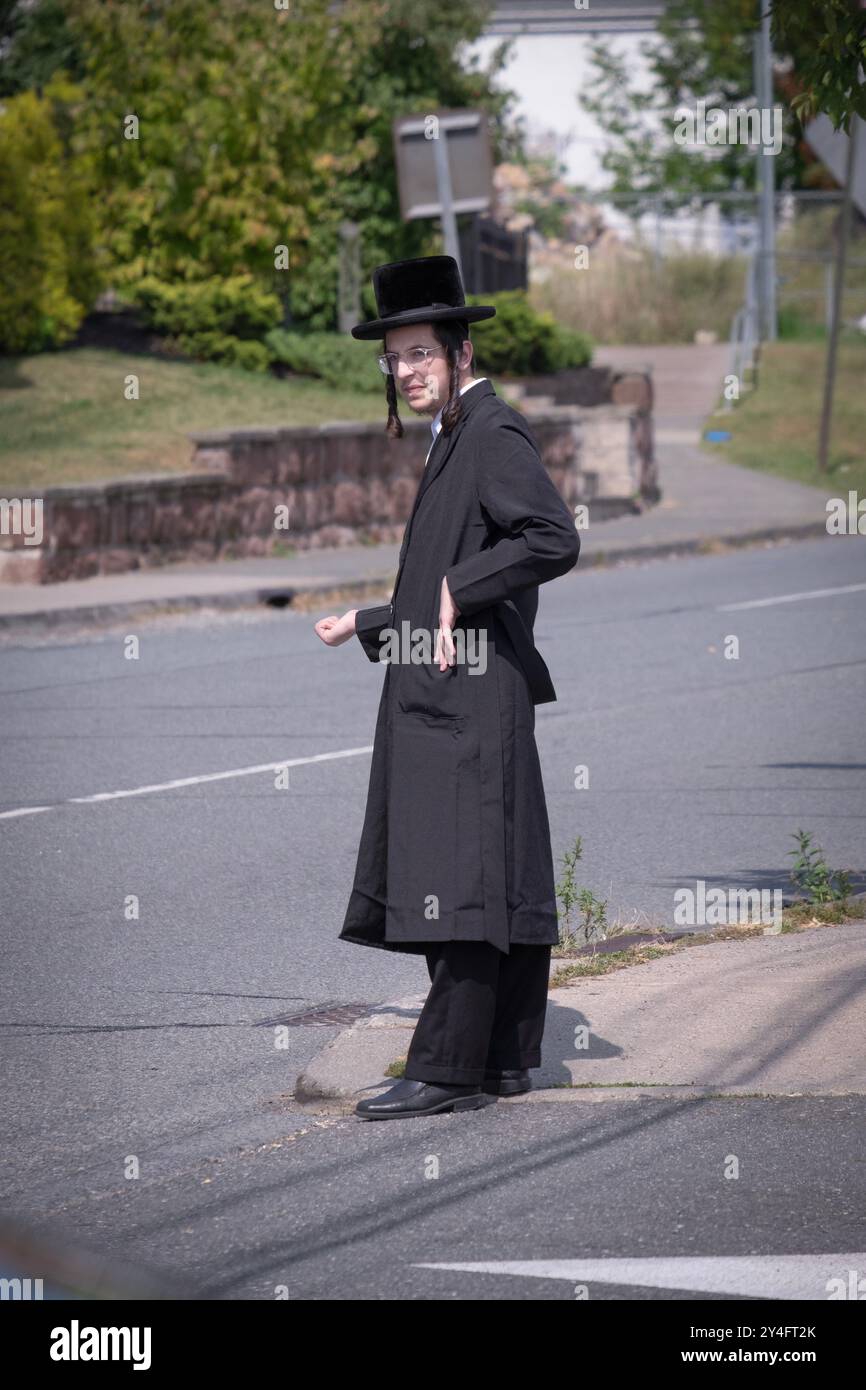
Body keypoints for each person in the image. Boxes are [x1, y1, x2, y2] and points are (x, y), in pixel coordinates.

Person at [314, 255, 580, 1119]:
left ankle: (447, 1070)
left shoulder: (493, 432)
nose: (407, 370)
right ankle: (502, 1058)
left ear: (462, 352)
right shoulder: (455, 437)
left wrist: (463, 590)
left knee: (457, 876)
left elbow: (551, 538)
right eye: (395, 359)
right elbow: (436, 576)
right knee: (480, 869)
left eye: (422, 353)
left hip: (471, 697)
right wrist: (369, 620)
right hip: (443, 688)